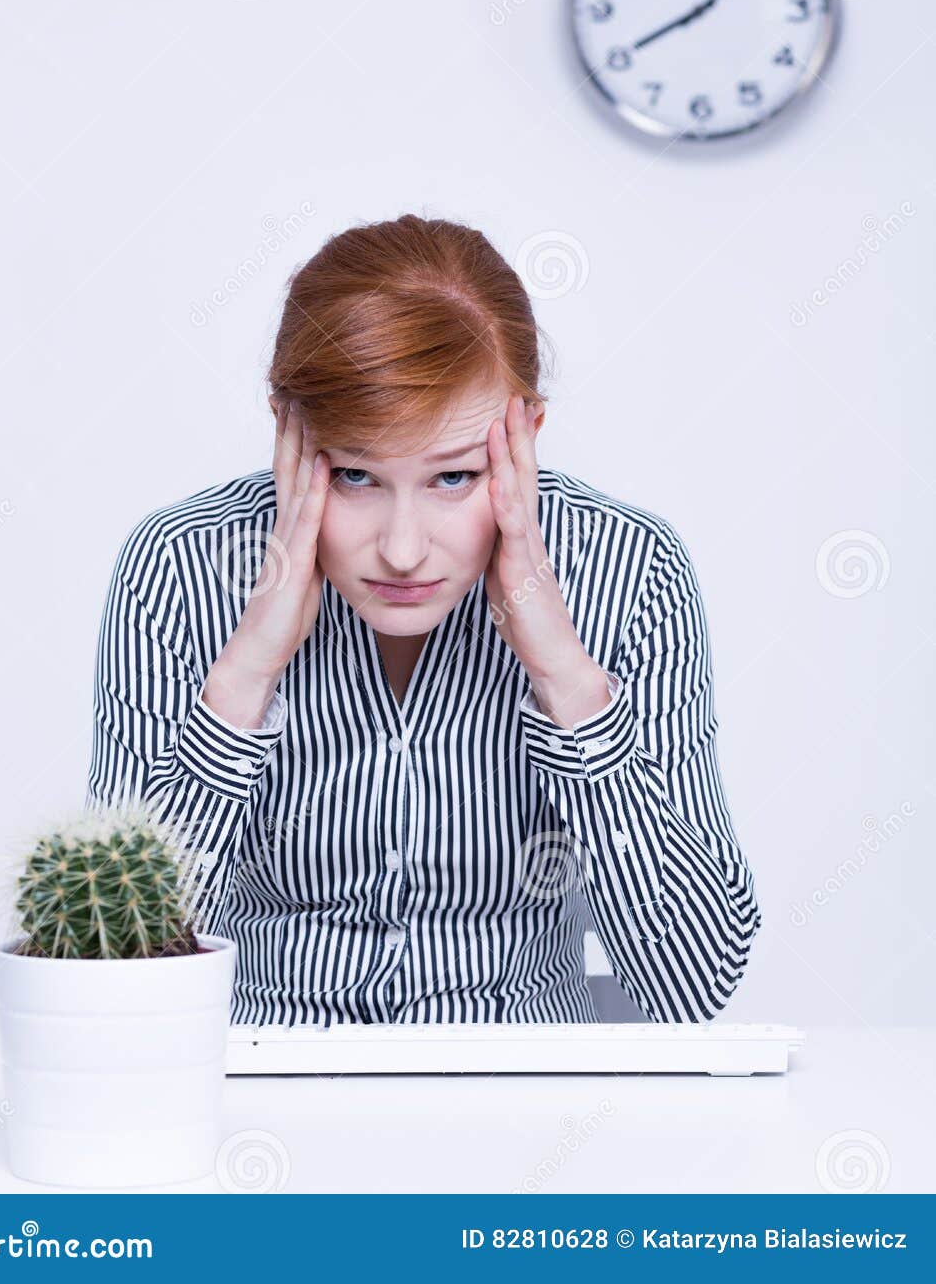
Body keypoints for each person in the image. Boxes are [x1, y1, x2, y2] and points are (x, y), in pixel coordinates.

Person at [87, 213, 761, 1024]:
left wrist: (565, 676)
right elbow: (107, 973)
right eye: (356, 477)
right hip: (258, 1086)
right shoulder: (181, 567)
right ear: (287, 432)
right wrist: (244, 677)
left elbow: (691, 984)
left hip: (526, 1090)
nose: (402, 551)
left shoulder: (631, 570)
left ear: (527, 433)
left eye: (453, 478)